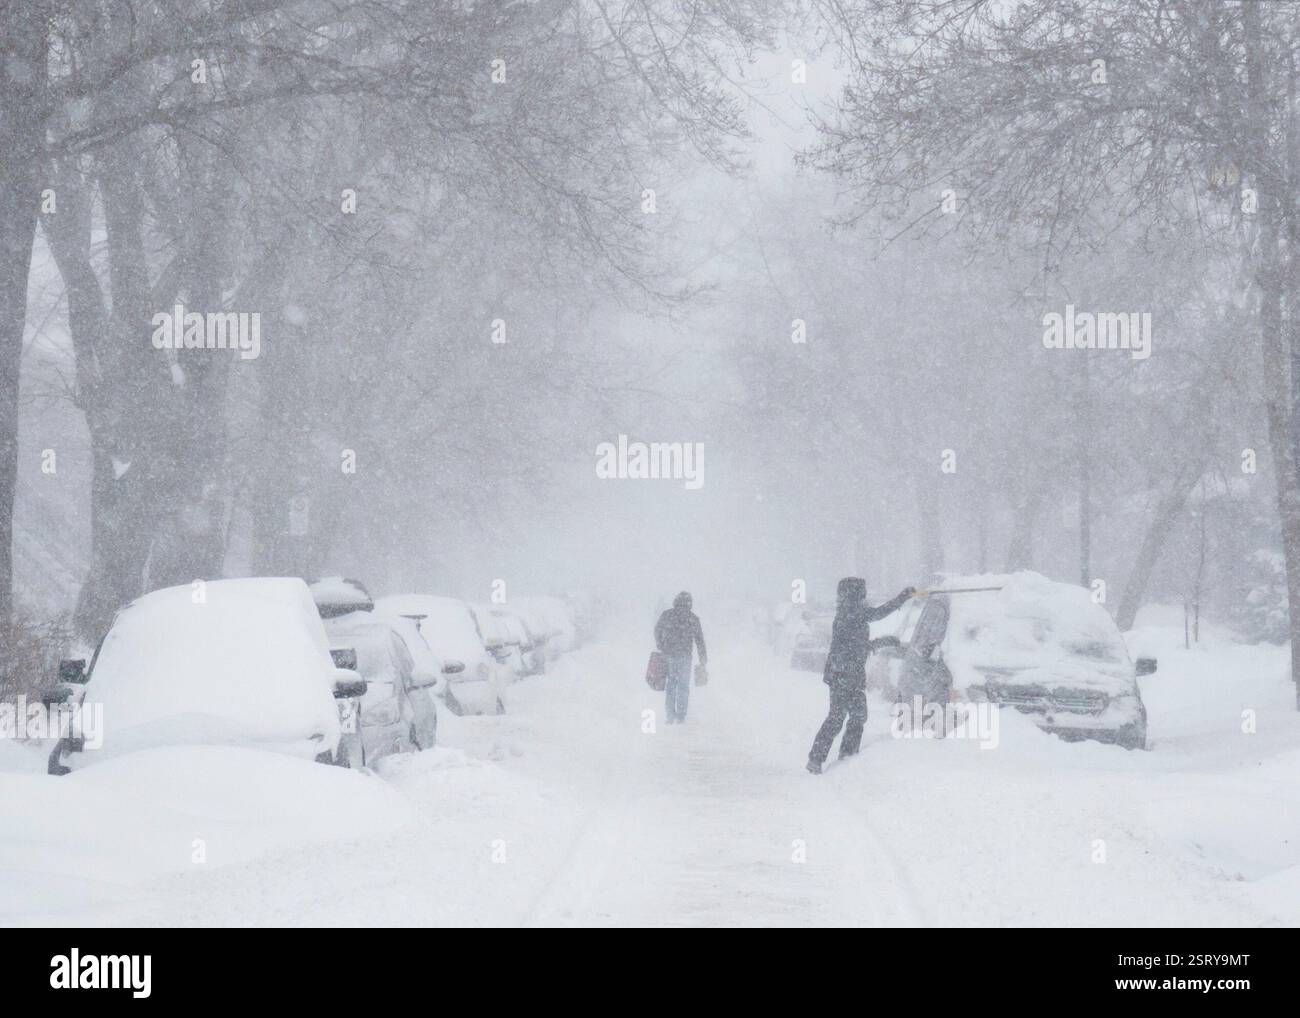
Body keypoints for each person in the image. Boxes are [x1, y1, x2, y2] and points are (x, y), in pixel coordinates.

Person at [807, 577, 916, 773]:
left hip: (851, 673)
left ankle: (847, 755)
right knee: (837, 717)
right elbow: (879, 614)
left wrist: (881, 642)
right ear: (855, 595)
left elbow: (859, 646)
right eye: (862, 593)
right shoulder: (850, 613)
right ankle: (817, 759)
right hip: (842, 674)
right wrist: (902, 597)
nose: (865, 597)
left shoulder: (850, 613)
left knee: (857, 715)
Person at [654, 591, 707, 724]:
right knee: (683, 686)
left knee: (671, 684)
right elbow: (700, 640)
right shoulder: (692, 618)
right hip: (685, 657)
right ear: (690, 603)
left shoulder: (667, 615)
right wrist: (703, 659)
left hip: (669, 655)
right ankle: (681, 716)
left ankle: (670, 715)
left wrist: (660, 644)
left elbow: (657, 630)